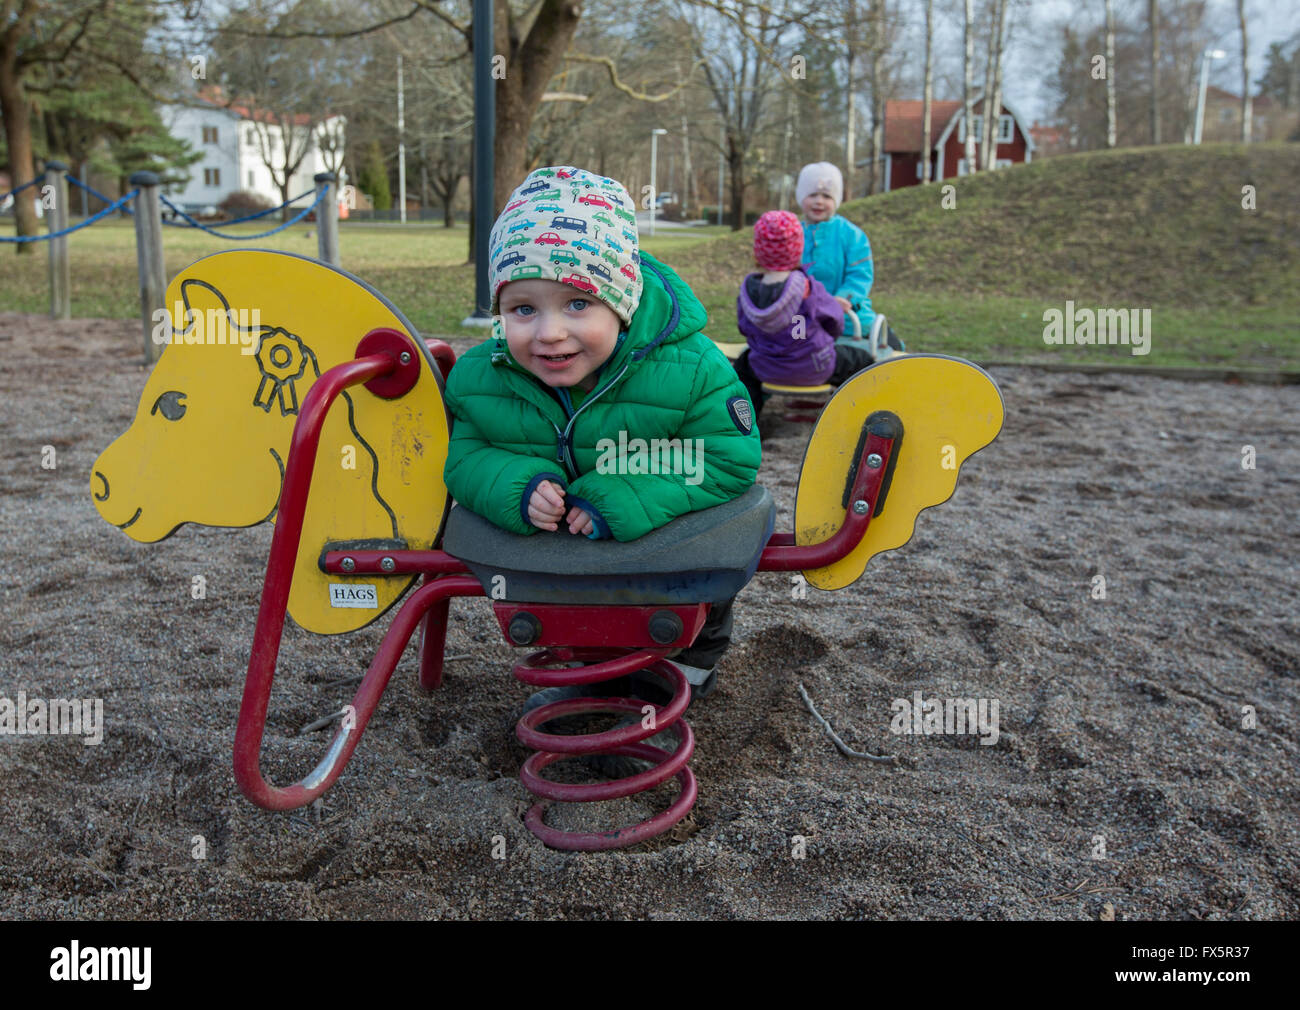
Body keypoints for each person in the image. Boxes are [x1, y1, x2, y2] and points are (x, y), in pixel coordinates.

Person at [442, 165, 762, 712]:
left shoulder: (692, 368)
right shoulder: (483, 376)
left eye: (577, 304)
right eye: (523, 309)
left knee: (704, 576)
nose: (549, 332)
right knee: (586, 639)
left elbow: (727, 460)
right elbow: (464, 456)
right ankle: (595, 678)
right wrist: (516, 487)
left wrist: (621, 491)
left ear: (622, 300)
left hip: (670, 561)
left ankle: (683, 669)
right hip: (568, 574)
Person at [730, 209, 876, 417]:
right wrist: (814, 335)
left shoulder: (748, 292)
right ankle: (851, 414)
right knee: (862, 361)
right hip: (814, 367)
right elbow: (835, 322)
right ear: (798, 250)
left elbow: (745, 328)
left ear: (757, 253)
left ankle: (748, 422)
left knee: (743, 367)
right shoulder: (809, 289)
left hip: (765, 368)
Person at [797, 161, 903, 353]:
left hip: (847, 313)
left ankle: (898, 363)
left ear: (836, 200)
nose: (819, 201)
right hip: (805, 314)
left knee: (889, 346)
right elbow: (787, 271)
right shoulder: (793, 234)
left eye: (827, 196)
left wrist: (843, 298)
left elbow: (860, 274)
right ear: (801, 197)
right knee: (794, 342)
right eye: (812, 195)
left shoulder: (851, 235)